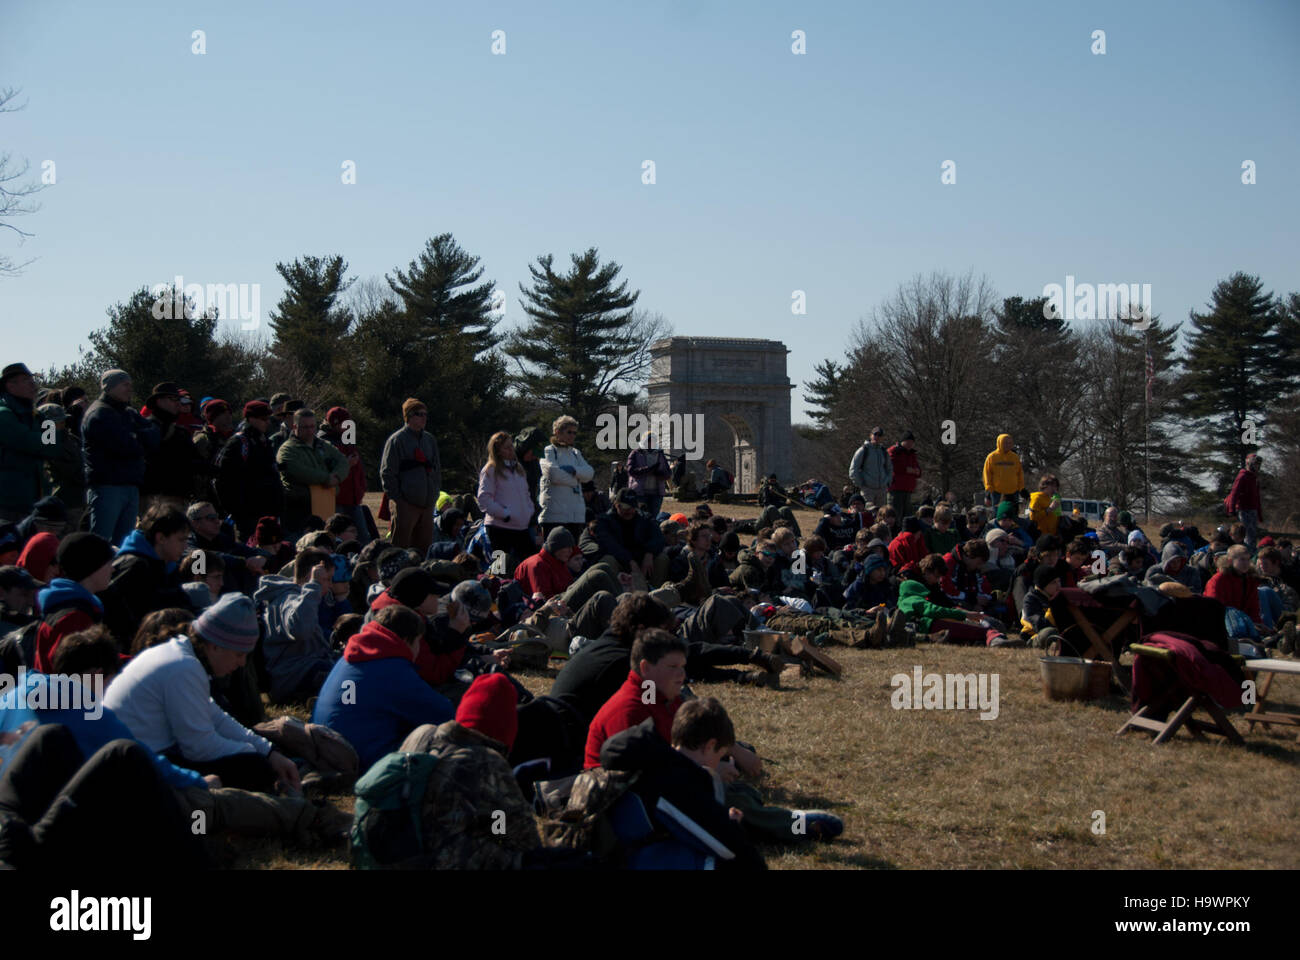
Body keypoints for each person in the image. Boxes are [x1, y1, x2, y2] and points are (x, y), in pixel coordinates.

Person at [103, 593, 302, 793]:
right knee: (252, 768)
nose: (241, 663)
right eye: (239, 654)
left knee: (254, 762)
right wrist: (257, 756)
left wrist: (269, 751)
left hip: (142, 755)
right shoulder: (183, 667)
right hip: (135, 768)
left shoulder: (182, 655)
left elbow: (216, 718)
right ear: (215, 646)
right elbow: (199, 747)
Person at [395, 673, 543, 869]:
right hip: (443, 860)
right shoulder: (488, 763)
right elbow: (521, 841)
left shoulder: (421, 737)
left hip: (396, 853)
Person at [598, 699, 767, 871]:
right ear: (710, 746)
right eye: (720, 756)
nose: (717, 764)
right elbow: (729, 846)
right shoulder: (676, 782)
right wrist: (733, 826)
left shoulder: (653, 758)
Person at [312, 604, 454, 774]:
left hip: (323, 744)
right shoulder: (393, 668)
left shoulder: (352, 656)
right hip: (360, 758)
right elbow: (444, 713)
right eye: (418, 642)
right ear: (407, 640)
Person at [584, 627, 687, 768]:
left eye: (682, 666)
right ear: (646, 668)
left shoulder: (657, 695)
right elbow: (644, 774)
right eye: (673, 667)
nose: (682, 674)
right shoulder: (629, 711)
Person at [81, 369, 160, 546]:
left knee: (124, 543)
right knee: (101, 543)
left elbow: (155, 437)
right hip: (107, 486)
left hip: (130, 484)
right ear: (110, 387)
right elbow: (125, 446)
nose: (129, 389)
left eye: (130, 385)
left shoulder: (128, 412)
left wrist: (136, 436)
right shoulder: (99, 414)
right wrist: (139, 437)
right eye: (125, 384)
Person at [253, 547, 339, 703]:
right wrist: (314, 585)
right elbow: (300, 630)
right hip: (293, 676)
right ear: (309, 577)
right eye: (327, 579)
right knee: (346, 680)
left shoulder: (302, 598)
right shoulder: (287, 599)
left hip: (306, 669)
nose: (331, 585)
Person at [99, 504, 192, 645]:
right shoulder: (134, 567)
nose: (185, 546)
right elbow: (116, 619)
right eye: (181, 539)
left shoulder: (168, 567)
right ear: (161, 538)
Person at [28, 533, 115, 672]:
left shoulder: (64, 604)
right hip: (62, 693)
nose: (113, 568)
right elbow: (75, 671)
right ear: (92, 567)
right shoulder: (75, 617)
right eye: (108, 563)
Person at [214, 401, 284, 542]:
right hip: (248, 515)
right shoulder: (239, 443)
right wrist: (237, 510)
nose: (267, 423)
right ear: (251, 419)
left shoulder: (264, 442)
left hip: (268, 511)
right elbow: (222, 478)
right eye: (264, 419)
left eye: (268, 419)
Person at [379, 398, 441, 556]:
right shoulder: (396, 440)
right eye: (419, 414)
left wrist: (434, 494)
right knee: (399, 549)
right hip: (406, 504)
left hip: (427, 505)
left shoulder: (429, 440)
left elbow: (436, 469)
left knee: (423, 549)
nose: (424, 418)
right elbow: (387, 473)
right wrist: (398, 500)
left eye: (425, 414)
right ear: (408, 416)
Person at [276, 408, 349, 538]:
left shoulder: (323, 445)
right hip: (299, 511)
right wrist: (326, 478)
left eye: (312, 426)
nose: (310, 431)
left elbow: (342, 461)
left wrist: (337, 477)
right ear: (295, 426)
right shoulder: (287, 450)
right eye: (305, 427)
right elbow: (297, 470)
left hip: (326, 505)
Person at [0, 363, 56, 525]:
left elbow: (52, 448)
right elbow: (31, 443)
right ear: (10, 385)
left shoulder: (36, 415)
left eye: (32, 379)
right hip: (9, 499)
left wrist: (49, 425)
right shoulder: (4, 414)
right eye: (26, 380)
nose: (33, 384)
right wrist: (45, 435)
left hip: (33, 497)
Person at [476, 430, 536, 575]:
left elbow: (526, 495)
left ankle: (525, 595)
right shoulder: (490, 469)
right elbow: (484, 498)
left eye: (511, 446)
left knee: (529, 565)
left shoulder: (518, 469)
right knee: (499, 569)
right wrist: (505, 513)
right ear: (497, 450)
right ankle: (494, 594)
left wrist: (529, 511)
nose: (511, 450)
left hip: (521, 527)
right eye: (506, 447)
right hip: (499, 528)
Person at [140, 381, 202, 513]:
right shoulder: (146, 429)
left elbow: (195, 460)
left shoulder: (180, 432)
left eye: (179, 400)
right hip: (154, 497)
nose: (178, 404)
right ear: (158, 401)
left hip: (179, 496)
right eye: (173, 399)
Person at [591, 488, 668, 589]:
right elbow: (610, 545)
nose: (628, 511)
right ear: (616, 505)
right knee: (607, 561)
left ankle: (655, 593)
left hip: (641, 560)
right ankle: (615, 595)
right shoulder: (604, 521)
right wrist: (630, 561)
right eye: (624, 508)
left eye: (632, 508)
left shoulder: (645, 518)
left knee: (662, 558)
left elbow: (659, 538)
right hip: (620, 562)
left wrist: (649, 553)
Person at [539, 415, 594, 544]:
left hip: (575, 515)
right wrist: (576, 479)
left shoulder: (576, 453)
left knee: (573, 556)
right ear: (557, 432)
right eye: (569, 432)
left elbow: (590, 473)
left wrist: (574, 471)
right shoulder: (549, 451)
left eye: (575, 433)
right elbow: (553, 474)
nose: (572, 435)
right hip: (554, 515)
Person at [321, 406, 370, 548]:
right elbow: (328, 469)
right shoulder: (324, 441)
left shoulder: (349, 439)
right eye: (343, 423)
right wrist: (346, 463)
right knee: (338, 536)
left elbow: (359, 468)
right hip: (336, 499)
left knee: (362, 536)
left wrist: (361, 488)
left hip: (353, 499)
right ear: (334, 424)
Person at [35, 403, 86, 531]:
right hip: (61, 500)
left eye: (63, 421)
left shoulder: (71, 439)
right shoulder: (47, 442)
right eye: (58, 422)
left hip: (76, 499)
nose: (62, 424)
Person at [1225, 453, 1263, 551]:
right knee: (1247, 535)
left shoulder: (1255, 478)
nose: (1257, 466)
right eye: (1255, 464)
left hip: (1252, 510)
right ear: (1249, 464)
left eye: (1258, 464)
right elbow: (1234, 493)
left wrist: (1259, 514)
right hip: (1244, 510)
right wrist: (1231, 510)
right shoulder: (1242, 476)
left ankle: (1250, 553)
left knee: (1253, 535)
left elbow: (1257, 497)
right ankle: (1247, 554)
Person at [626, 434, 671, 518]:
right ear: (644, 442)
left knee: (654, 518)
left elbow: (668, 474)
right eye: (649, 441)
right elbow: (630, 471)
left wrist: (657, 473)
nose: (651, 443)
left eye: (653, 441)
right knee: (641, 517)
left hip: (657, 493)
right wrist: (648, 470)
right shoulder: (635, 453)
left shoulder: (660, 454)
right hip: (640, 493)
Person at [849, 427, 892, 508]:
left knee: (881, 516)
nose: (877, 437)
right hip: (868, 490)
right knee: (867, 514)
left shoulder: (884, 452)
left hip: (882, 490)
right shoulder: (863, 450)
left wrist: (887, 482)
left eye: (880, 435)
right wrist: (861, 484)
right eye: (875, 434)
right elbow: (853, 469)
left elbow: (889, 468)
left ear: (882, 438)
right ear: (870, 435)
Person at [981, 433, 1023, 509]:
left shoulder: (1015, 457)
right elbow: (986, 474)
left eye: (1010, 443)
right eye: (1005, 443)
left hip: (1013, 491)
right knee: (999, 516)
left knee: (1013, 515)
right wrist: (989, 488)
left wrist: (1021, 487)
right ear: (999, 443)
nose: (1008, 445)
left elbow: (1020, 473)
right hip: (997, 492)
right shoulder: (992, 457)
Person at [886, 431, 921, 516]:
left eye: (912, 442)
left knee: (907, 516)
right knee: (895, 514)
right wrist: (909, 470)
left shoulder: (912, 454)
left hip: (909, 490)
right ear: (902, 441)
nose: (910, 444)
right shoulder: (894, 451)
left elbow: (918, 471)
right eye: (908, 442)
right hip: (896, 489)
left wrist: (915, 471)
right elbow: (894, 466)